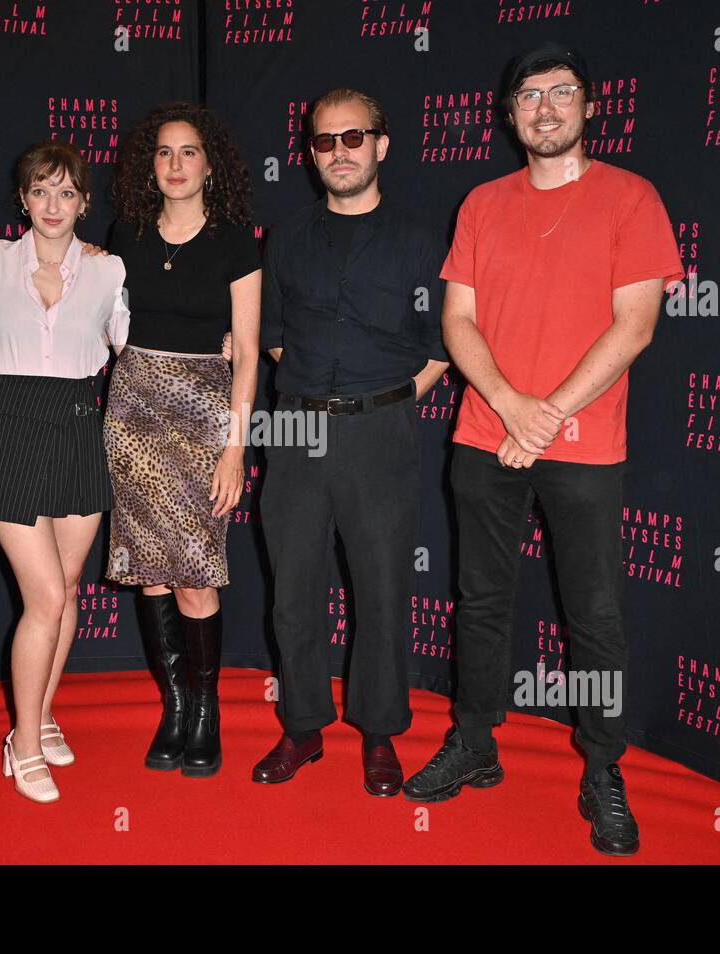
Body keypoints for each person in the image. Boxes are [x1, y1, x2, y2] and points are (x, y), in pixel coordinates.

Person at [402, 43, 684, 856]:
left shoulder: (632, 197)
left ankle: (602, 767)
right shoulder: (482, 203)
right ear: (510, 113)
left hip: (584, 442)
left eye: (561, 93)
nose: (546, 109)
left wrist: (549, 414)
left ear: (590, 105)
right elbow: (458, 321)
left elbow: (636, 325)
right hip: (487, 433)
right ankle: (475, 742)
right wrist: (511, 405)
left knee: (592, 616)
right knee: (481, 602)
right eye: (529, 96)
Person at [254, 88, 450, 797]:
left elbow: (439, 347)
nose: (339, 152)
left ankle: (377, 731)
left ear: (382, 145)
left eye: (353, 138)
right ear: (310, 154)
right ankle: (303, 727)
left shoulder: (422, 241)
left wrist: (379, 403)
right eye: (325, 142)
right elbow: (272, 336)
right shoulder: (287, 238)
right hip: (296, 428)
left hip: (382, 434)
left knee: (382, 588)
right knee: (293, 590)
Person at [0, 141, 130, 803]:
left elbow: (134, 346)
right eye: (40, 191)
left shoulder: (108, 269)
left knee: (66, 588)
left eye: (66, 193)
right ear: (22, 199)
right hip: (8, 428)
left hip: (78, 427)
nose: (53, 205)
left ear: (84, 202)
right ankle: (22, 744)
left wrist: (220, 340)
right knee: (46, 599)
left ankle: (43, 713)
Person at [104, 102, 261, 778]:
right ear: (151, 164)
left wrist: (235, 445)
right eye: (164, 152)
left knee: (196, 574)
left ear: (209, 163)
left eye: (188, 151)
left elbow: (249, 352)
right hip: (132, 408)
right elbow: (98, 318)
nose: (175, 165)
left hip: (204, 414)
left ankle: (206, 713)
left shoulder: (234, 240)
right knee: (150, 574)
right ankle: (173, 708)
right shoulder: (126, 234)